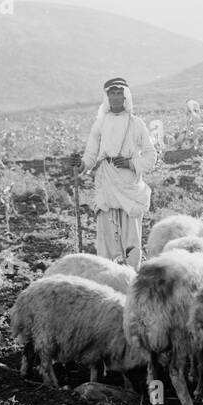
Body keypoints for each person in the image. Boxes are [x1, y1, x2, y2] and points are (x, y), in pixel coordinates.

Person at [81, 77, 157, 268]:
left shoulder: (136, 123)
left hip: (129, 186)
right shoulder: (100, 123)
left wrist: (131, 163)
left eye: (119, 93)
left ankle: (131, 277)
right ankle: (108, 277)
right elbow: (91, 155)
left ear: (125, 96)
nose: (115, 97)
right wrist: (81, 164)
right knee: (106, 240)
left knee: (131, 240)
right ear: (107, 97)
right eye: (112, 93)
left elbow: (150, 156)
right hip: (106, 183)